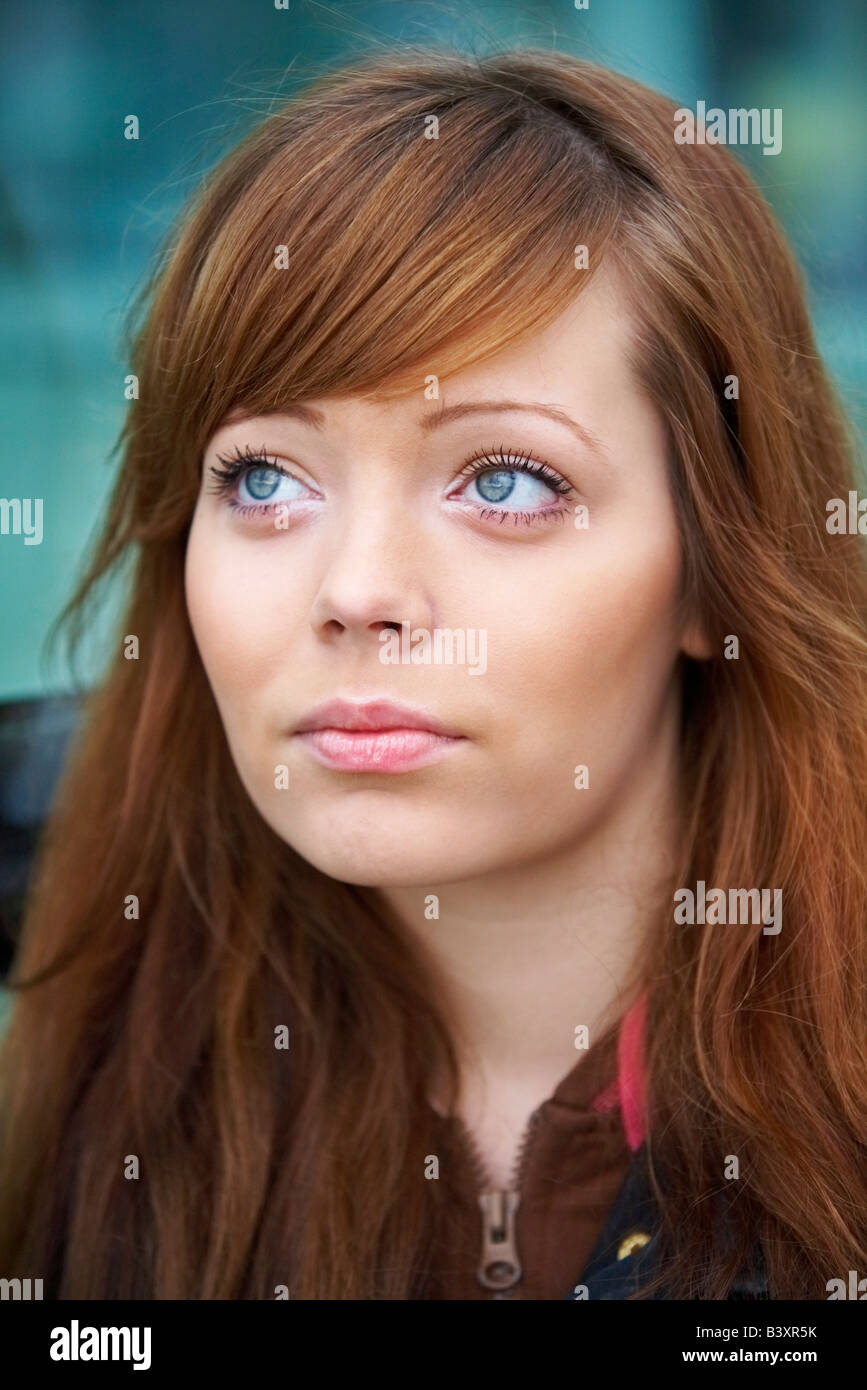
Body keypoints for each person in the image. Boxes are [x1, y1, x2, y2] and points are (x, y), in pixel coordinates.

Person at [1, 45, 865, 1301]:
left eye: (505, 482)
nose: (356, 593)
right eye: (265, 479)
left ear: (710, 572)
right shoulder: (97, 867)